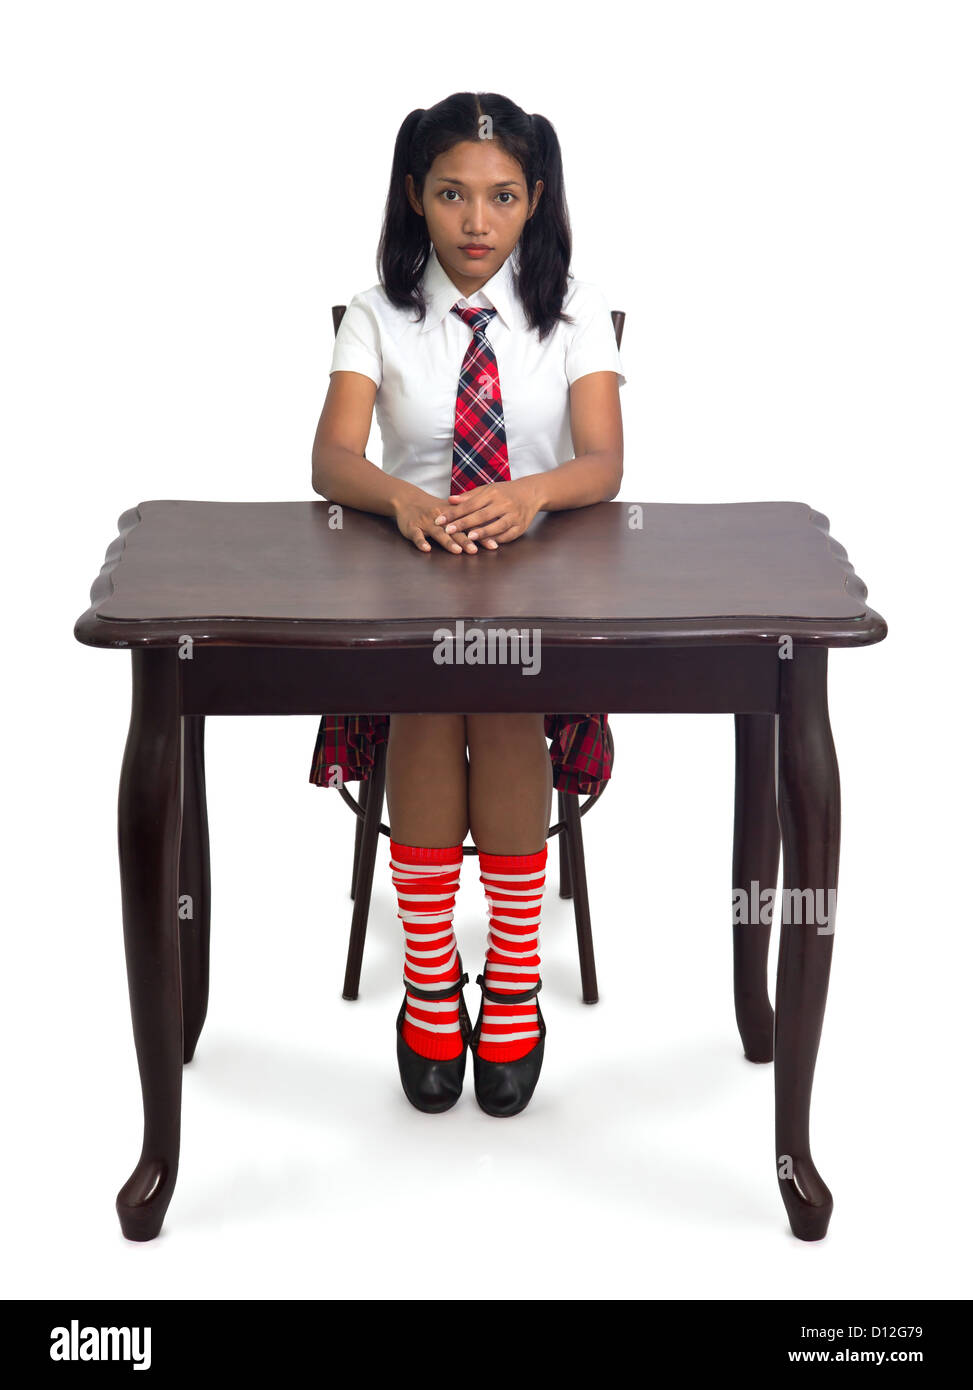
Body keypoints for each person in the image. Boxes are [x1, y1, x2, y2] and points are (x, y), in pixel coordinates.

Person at [308, 92, 625, 1118]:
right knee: (425, 698)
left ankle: (516, 983)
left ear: (535, 201)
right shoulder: (376, 313)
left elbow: (604, 462)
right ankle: (433, 982)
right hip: (409, 567)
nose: (475, 223)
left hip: (535, 571)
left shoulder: (572, 313)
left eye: (499, 198)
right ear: (416, 197)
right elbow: (331, 457)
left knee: (504, 696)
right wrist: (403, 497)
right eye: (451, 196)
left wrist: (530, 493)